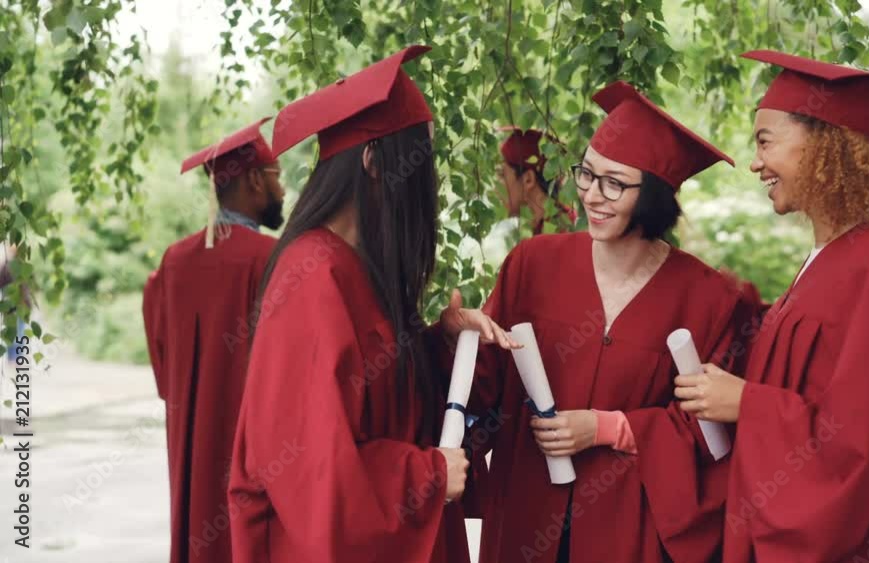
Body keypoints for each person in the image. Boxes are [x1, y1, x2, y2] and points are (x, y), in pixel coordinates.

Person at [441, 81, 749, 563]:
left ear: (654, 196)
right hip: (528, 514)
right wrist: (454, 340)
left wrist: (608, 428)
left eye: (615, 183)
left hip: (629, 529)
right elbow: (486, 387)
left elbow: (711, 432)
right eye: (586, 173)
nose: (592, 195)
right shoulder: (533, 265)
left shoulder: (707, 298)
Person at [674, 50, 869, 563]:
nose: (755, 162)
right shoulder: (832, 256)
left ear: (822, 143)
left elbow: (856, 444)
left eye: (765, 142)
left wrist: (747, 404)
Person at [227, 46, 471, 563]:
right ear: (373, 162)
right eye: (419, 155)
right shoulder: (313, 277)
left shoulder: (357, 266)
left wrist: (443, 341)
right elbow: (312, 472)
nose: (427, 177)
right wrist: (428, 475)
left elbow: (379, 399)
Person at [142, 117, 286, 563]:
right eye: (277, 177)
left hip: (191, 443)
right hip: (254, 448)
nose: (283, 190)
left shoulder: (175, 262)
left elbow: (166, 374)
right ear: (254, 181)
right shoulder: (272, 259)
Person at [497, 127, 577, 235]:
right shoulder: (552, 226)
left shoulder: (562, 232)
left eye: (502, 175)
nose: (496, 187)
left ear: (528, 180)